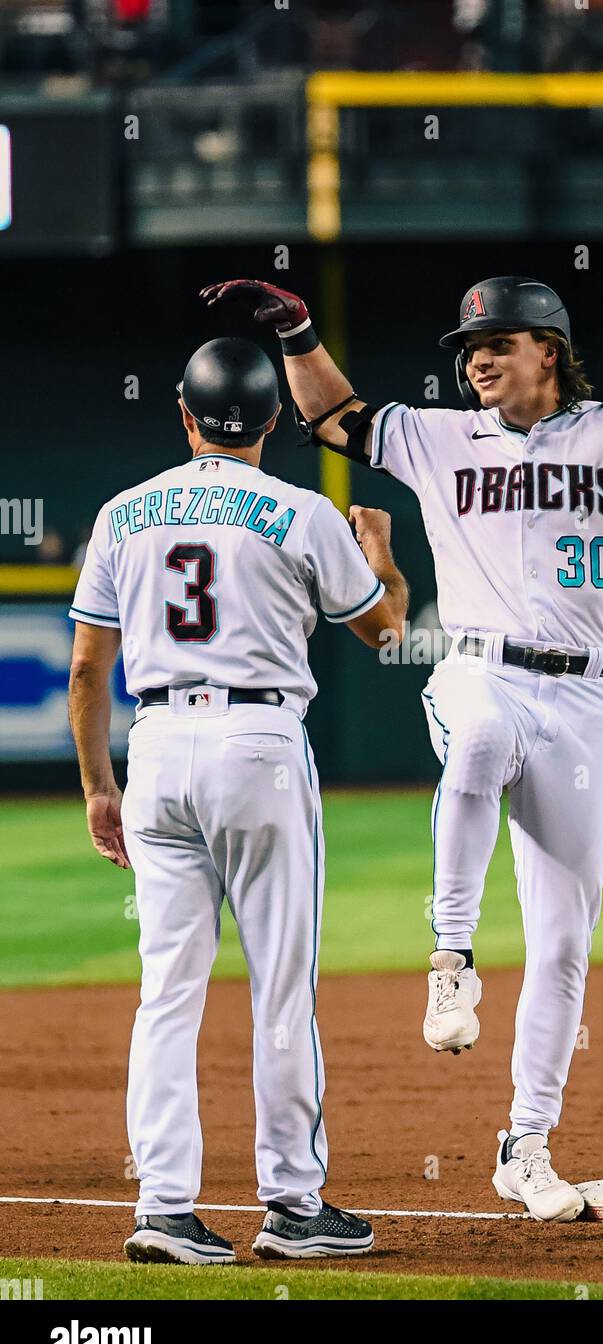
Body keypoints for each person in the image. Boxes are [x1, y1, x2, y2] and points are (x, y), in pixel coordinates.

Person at [199, 273, 603, 1222]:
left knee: (562, 943)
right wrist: (299, 331)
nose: (475, 358)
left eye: (497, 342)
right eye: (468, 347)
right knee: (474, 737)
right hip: (478, 667)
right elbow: (339, 418)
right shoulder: (439, 436)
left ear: (548, 351)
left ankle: (526, 1145)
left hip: (586, 699)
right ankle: (451, 956)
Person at [67, 335, 408, 1262]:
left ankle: (165, 1211)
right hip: (257, 746)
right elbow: (385, 632)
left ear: (185, 416)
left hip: (156, 746)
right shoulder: (301, 512)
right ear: (271, 421)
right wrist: (381, 557)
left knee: (166, 992)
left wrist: (102, 784)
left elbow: (91, 666)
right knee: (280, 989)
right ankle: (294, 1207)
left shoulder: (121, 515)